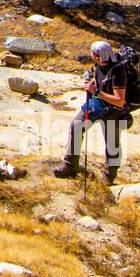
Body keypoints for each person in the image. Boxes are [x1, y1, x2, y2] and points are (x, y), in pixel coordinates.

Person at [53, 40, 131, 185]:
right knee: (76, 126)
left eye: (92, 52)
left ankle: (109, 176)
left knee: (112, 144)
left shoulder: (118, 71)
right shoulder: (98, 66)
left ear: (96, 55)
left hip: (114, 111)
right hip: (97, 104)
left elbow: (119, 100)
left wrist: (97, 92)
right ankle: (70, 165)